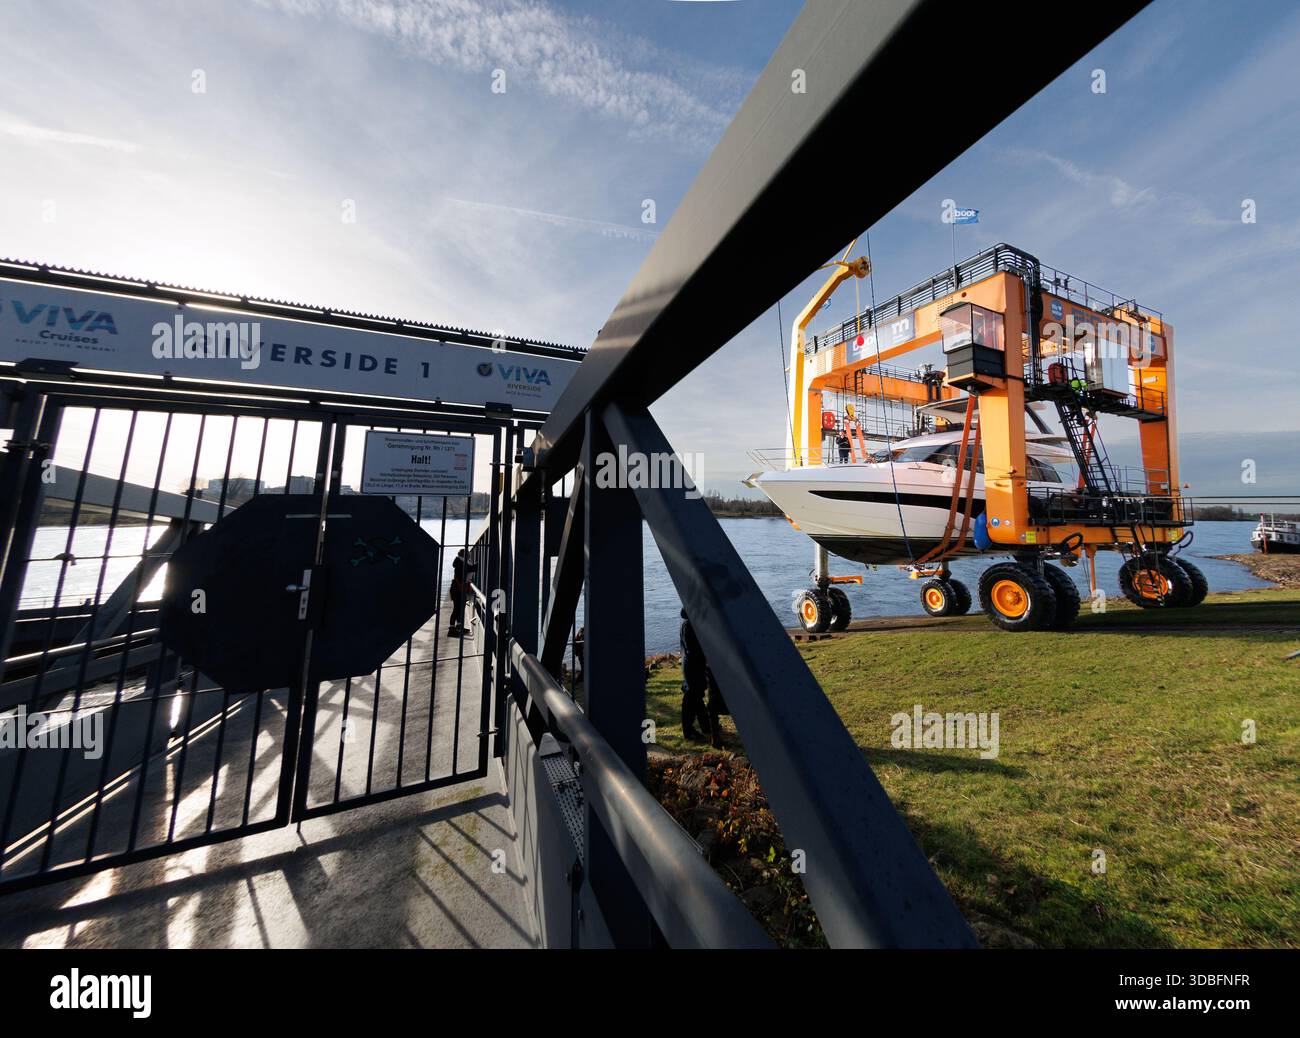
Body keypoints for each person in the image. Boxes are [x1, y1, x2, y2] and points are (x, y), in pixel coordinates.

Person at [679, 608, 709, 742]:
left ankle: (705, 726)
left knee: (697, 696)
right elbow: (693, 650)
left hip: (693, 666)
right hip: (692, 667)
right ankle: (688, 731)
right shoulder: (689, 625)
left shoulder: (689, 624)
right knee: (691, 699)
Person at [448, 549, 476, 636]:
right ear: (464, 555)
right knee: (456, 609)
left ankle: (459, 627)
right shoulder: (460, 563)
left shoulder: (463, 562)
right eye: (468, 554)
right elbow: (470, 568)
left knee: (460, 609)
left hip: (459, 588)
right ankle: (451, 630)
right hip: (457, 589)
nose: (470, 555)